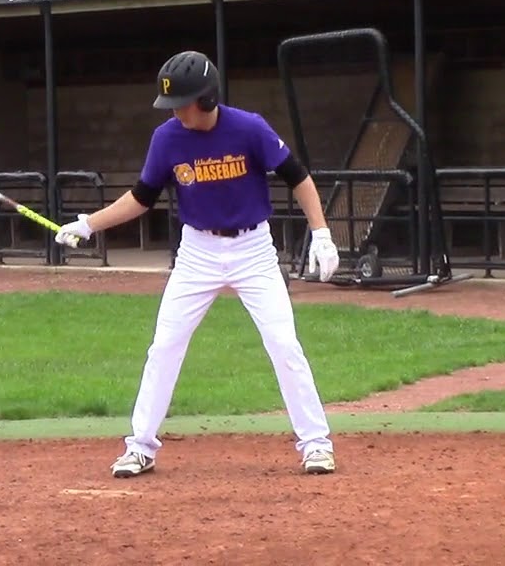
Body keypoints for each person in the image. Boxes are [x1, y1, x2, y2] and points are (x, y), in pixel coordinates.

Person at [54, 50, 340, 478]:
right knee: (164, 345)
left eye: (181, 104)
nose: (174, 113)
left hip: (254, 251)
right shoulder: (167, 138)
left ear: (206, 99)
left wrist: (321, 233)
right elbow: (142, 197)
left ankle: (316, 444)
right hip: (197, 254)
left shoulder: (249, 128)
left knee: (284, 344)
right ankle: (140, 446)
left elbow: (298, 176)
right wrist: (88, 224)